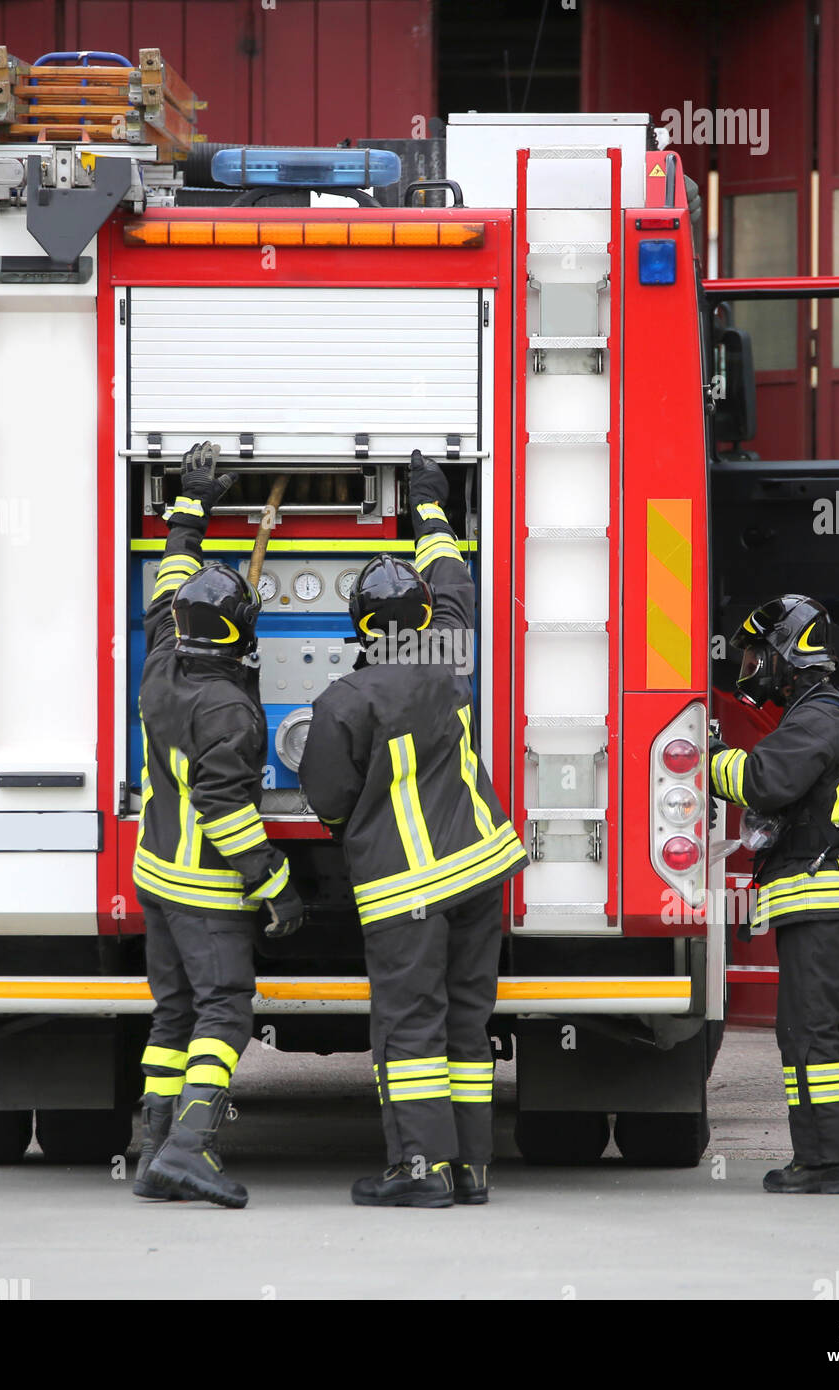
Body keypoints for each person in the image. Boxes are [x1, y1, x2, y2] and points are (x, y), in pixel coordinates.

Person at [299, 451, 528, 1208]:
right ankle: (470, 1169)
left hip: (405, 891)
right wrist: (430, 505)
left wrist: (355, 829)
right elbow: (454, 576)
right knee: (467, 1026)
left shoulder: (343, 700)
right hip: (480, 871)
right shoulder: (451, 654)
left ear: (359, 625)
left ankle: (419, 1172)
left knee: (408, 1032)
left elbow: (328, 798)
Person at [132, 442, 305, 1208]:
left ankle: (153, 1146)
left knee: (173, 1013)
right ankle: (188, 1146)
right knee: (223, 1011)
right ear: (242, 637)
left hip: (153, 876)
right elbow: (226, 813)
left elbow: (174, 583)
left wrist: (188, 507)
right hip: (204, 887)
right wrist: (276, 887)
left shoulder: (161, 661)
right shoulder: (231, 711)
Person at [709, 594, 839, 1195]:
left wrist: (705, 762)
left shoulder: (815, 720)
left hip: (822, 901)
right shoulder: (832, 714)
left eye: (759, 655)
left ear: (789, 651)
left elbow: (765, 781)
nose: (753, 668)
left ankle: (822, 1163)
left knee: (808, 1035)